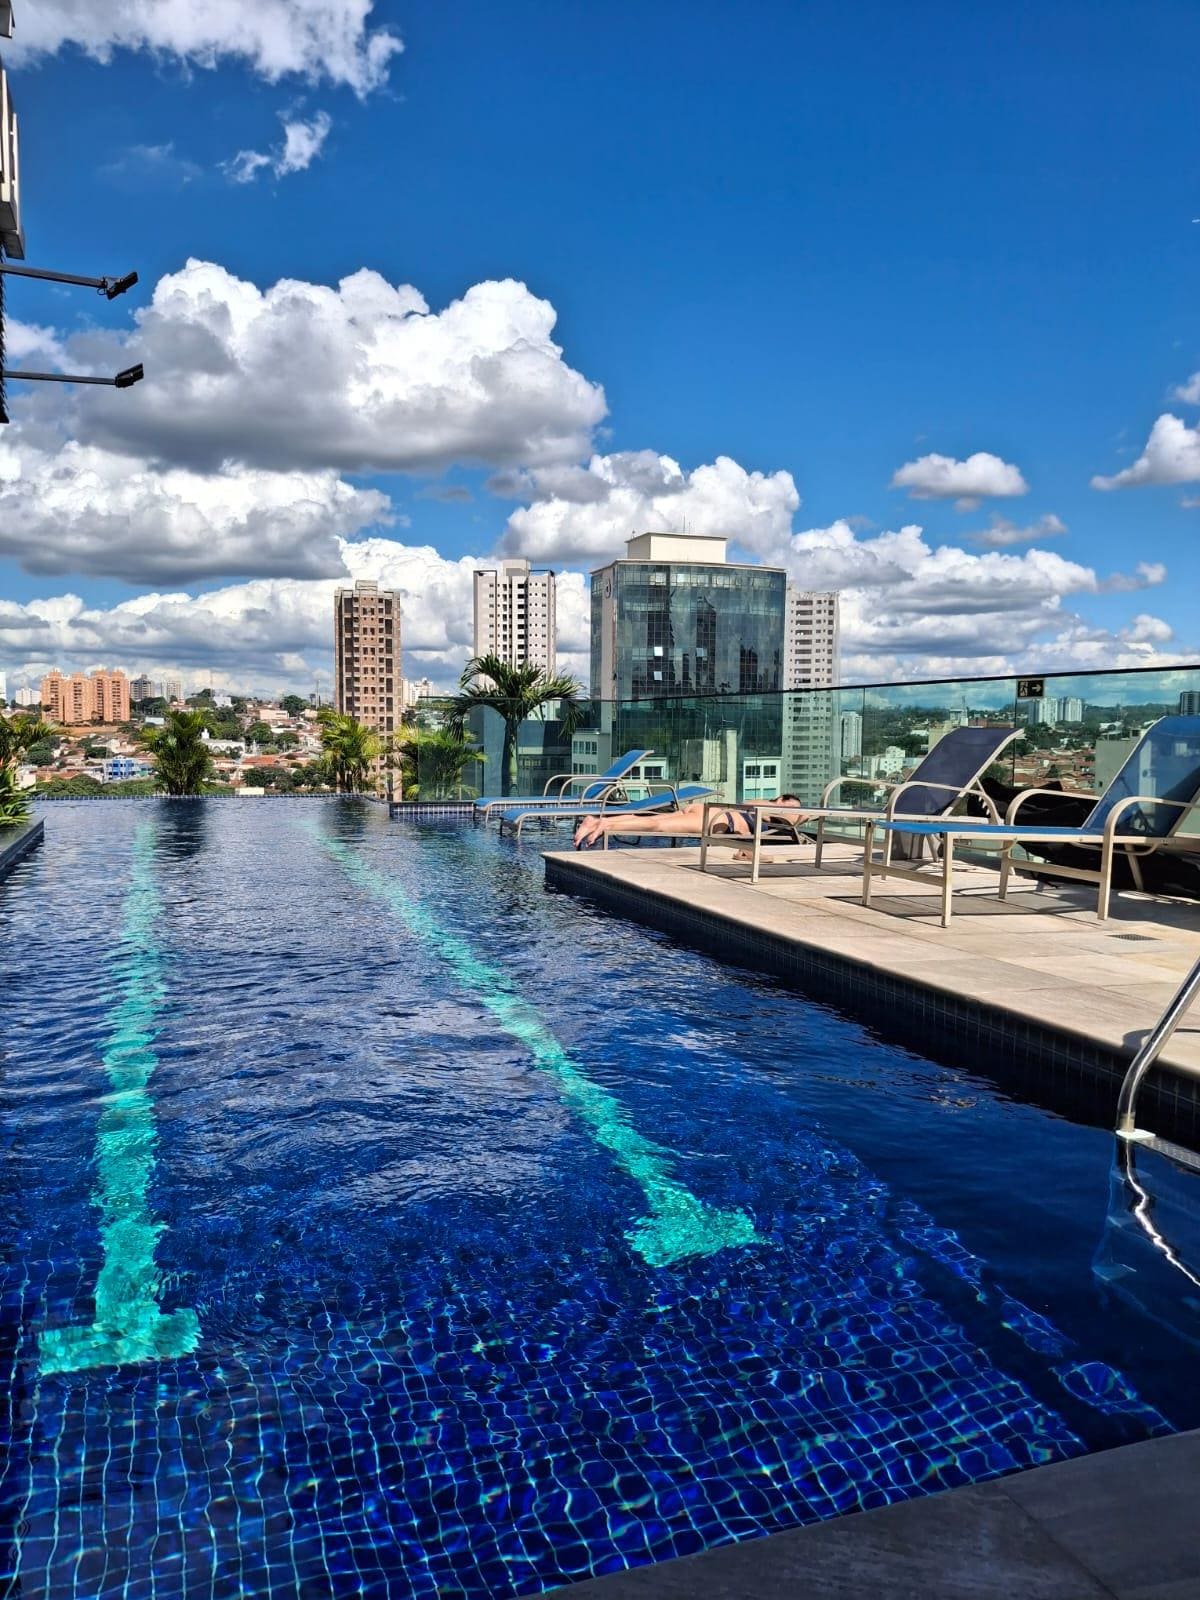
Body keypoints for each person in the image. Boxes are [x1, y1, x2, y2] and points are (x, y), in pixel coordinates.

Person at [574, 794, 808, 850]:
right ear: (781, 799)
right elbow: (800, 818)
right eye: (791, 806)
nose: (793, 813)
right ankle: (606, 826)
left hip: (709, 812)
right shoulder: (767, 807)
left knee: (653, 819)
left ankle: (597, 820)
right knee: (657, 825)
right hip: (717, 820)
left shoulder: (757, 805)